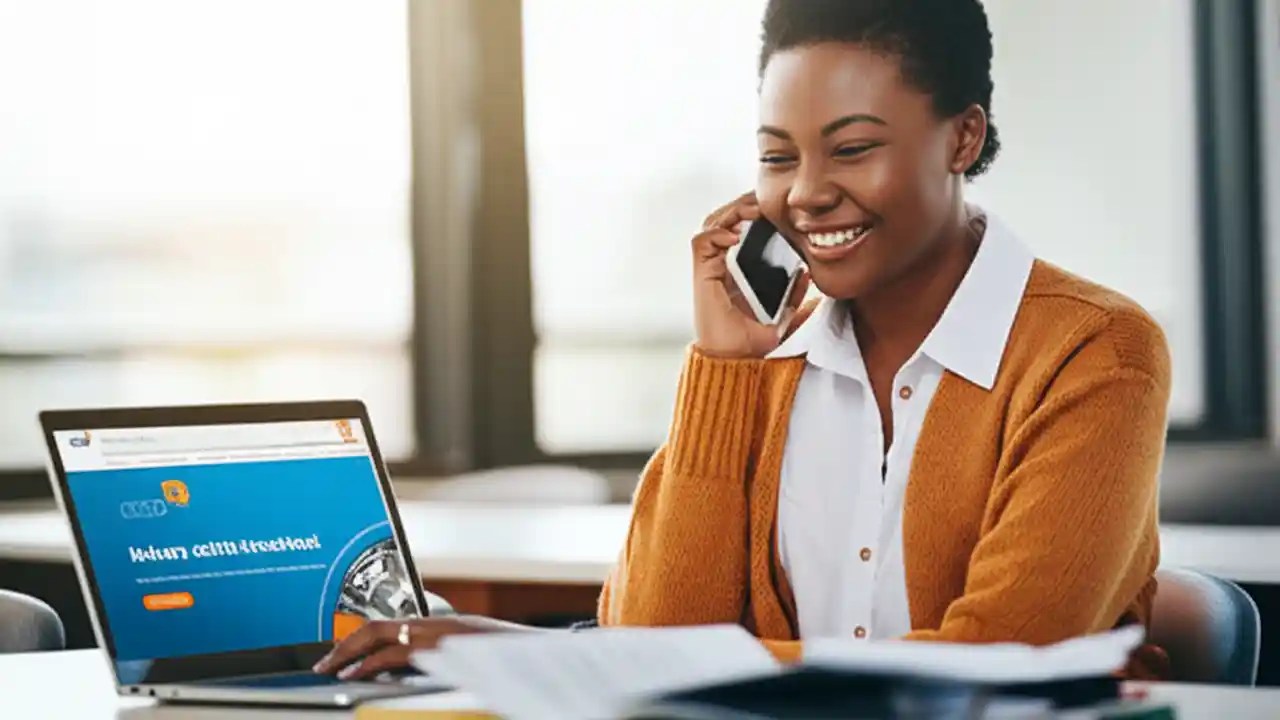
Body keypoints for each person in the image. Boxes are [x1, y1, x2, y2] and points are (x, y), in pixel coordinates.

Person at [315, 0, 1171, 681]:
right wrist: (721, 369)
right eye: (777, 156)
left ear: (964, 137)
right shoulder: (769, 360)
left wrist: (552, 652)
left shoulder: (1096, 353)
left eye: (853, 149)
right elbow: (651, 645)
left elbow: (996, 667)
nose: (804, 195)